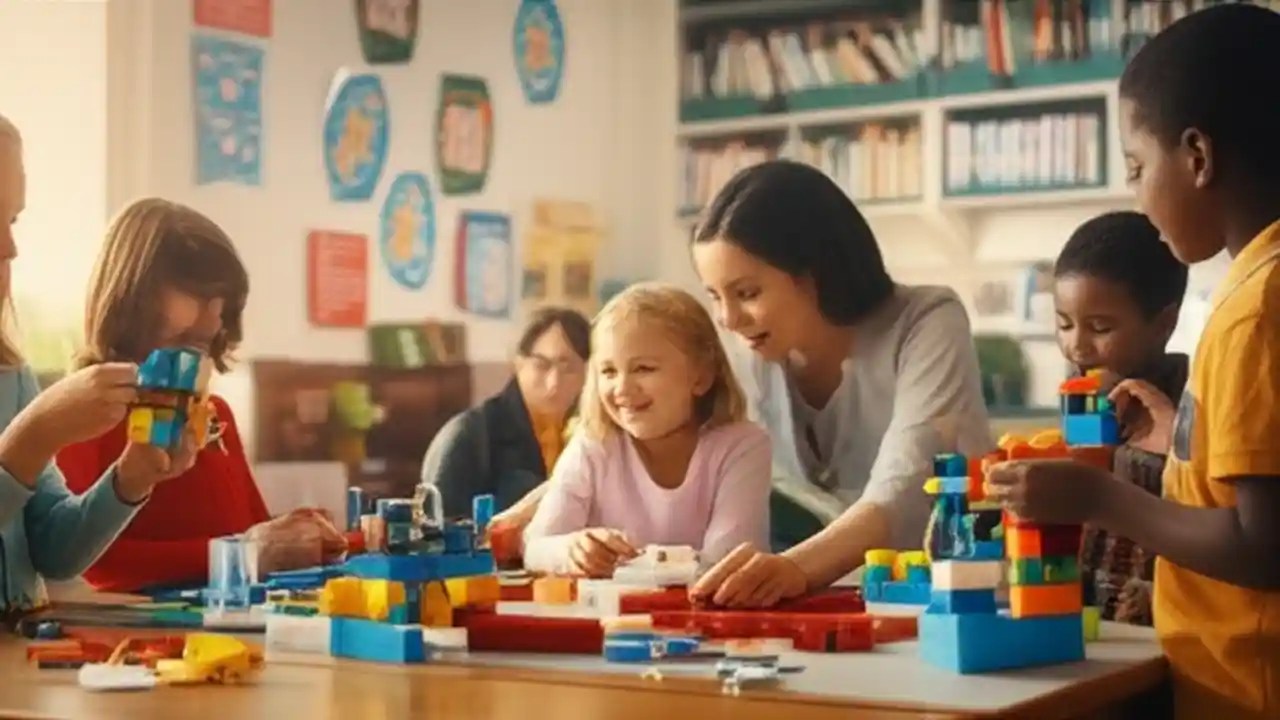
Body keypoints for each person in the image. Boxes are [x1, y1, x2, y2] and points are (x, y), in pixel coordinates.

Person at [985, 6, 1280, 718]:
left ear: (1199, 158)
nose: (1136, 195)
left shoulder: (1254, 309)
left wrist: (1098, 498)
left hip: (1247, 684)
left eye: (1138, 167)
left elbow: (1262, 544)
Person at [688, 160, 993, 607]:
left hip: (943, 597)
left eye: (747, 294)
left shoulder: (927, 321)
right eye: (715, 296)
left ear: (814, 276)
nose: (728, 319)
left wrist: (794, 568)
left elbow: (906, 485)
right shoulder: (753, 352)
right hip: (814, 604)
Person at [56, 198, 346, 594]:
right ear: (131, 303)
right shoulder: (82, 412)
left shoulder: (215, 415)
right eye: (179, 338)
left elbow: (251, 536)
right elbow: (90, 566)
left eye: (207, 337)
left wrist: (294, 536)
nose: (212, 319)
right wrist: (245, 552)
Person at [0, 113, 175, 615]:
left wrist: (131, 477)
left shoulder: (11, 376)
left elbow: (55, 554)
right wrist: (32, 437)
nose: (11, 247)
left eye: (12, 220)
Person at [522, 283, 771, 576]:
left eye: (643, 369)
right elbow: (535, 546)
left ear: (701, 377)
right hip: (609, 619)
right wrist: (573, 550)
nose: (622, 389)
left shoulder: (743, 446)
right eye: (608, 372)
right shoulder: (593, 445)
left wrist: (634, 563)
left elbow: (727, 561)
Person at [1053, 210, 1189, 626]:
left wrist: (1172, 453)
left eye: (1099, 327)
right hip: (1084, 622)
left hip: (1159, 630)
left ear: (1163, 323)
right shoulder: (1080, 399)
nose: (1077, 346)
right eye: (1063, 323)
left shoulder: (1191, 407)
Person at [422, 307, 590, 521]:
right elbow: (435, 529)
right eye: (541, 365)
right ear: (517, 363)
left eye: (569, 369)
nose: (554, 383)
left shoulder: (591, 433)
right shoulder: (472, 435)